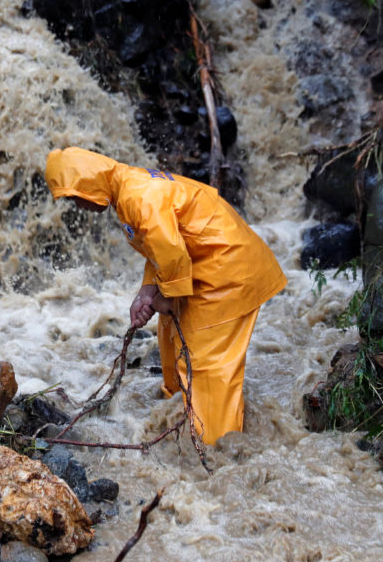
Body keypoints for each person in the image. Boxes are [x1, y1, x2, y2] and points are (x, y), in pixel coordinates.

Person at [45, 147, 286, 445]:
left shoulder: (138, 196)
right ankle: (180, 416)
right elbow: (160, 247)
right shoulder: (128, 187)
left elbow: (171, 253)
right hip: (206, 266)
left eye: (73, 196)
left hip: (228, 271)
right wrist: (146, 294)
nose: (76, 205)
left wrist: (165, 300)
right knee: (170, 341)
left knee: (204, 364)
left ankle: (216, 446)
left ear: (87, 183)